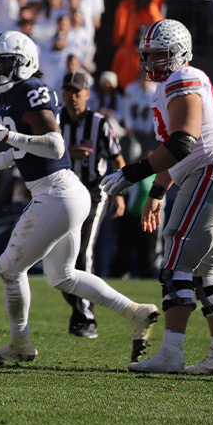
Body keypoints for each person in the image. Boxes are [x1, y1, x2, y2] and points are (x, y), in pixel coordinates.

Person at [0, 31, 159, 362]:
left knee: (10, 268)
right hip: (64, 191)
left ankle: (20, 344)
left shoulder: (29, 90)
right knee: (61, 276)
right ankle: (134, 312)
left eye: (4, 63)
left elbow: (55, 144)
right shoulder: (13, 94)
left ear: (24, 63)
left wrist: (7, 134)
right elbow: (20, 153)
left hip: (56, 192)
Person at [102, 20, 213, 374]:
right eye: (147, 53)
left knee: (176, 261)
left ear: (179, 54)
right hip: (204, 172)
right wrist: (158, 188)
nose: (149, 60)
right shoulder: (173, 83)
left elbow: (184, 141)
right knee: (206, 273)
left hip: (209, 172)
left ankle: (171, 352)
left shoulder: (182, 78)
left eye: (157, 54)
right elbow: (180, 148)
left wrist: (130, 173)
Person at [58, 72, 126, 339]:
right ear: (63, 93)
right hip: (62, 193)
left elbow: (118, 160)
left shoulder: (99, 123)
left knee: (83, 252)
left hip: (93, 192)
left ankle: (87, 315)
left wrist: (119, 193)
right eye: (69, 91)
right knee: (60, 257)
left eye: (78, 91)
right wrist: (68, 153)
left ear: (87, 94)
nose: (73, 96)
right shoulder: (54, 121)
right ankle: (78, 307)